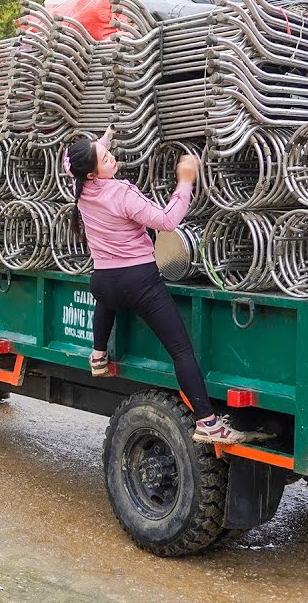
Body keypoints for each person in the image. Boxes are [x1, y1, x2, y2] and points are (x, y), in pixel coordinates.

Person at [65, 128, 248, 444]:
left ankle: (97, 356)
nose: (113, 157)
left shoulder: (80, 186)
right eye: (106, 157)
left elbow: (74, 161)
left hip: (104, 281)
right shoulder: (122, 193)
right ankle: (207, 423)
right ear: (94, 171)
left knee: (106, 297)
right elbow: (166, 222)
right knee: (181, 350)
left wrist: (104, 139)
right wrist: (185, 181)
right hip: (138, 281)